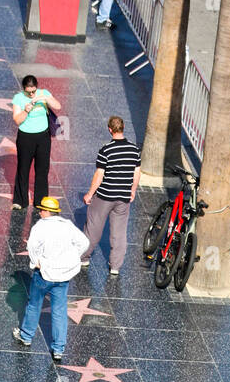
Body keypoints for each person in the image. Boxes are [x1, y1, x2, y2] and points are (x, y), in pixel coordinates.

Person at [12, 197, 88, 362]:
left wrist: (37, 262)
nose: (39, 213)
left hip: (43, 274)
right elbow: (84, 242)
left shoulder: (40, 227)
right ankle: (58, 349)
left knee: (34, 305)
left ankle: (26, 336)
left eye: (40, 210)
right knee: (59, 312)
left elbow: (32, 247)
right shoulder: (67, 225)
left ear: (46, 212)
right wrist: (73, 258)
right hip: (63, 276)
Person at [80, 115, 141, 276]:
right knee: (119, 233)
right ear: (122, 128)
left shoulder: (106, 149)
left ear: (110, 130)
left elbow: (99, 174)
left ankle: (84, 257)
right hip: (123, 197)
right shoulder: (134, 150)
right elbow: (136, 173)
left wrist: (89, 194)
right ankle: (115, 266)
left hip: (104, 196)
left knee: (94, 228)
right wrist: (132, 190)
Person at [11, 75, 61, 211]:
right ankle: (20, 200)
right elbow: (17, 120)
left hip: (43, 137)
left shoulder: (43, 93)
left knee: (42, 169)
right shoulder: (19, 98)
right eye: (28, 92)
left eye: (33, 91)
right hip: (25, 138)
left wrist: (45, 98)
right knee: (23, 168)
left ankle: (40, 200)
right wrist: (26, 111)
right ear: (24, 89)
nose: (31, 94)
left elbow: (58, 105)